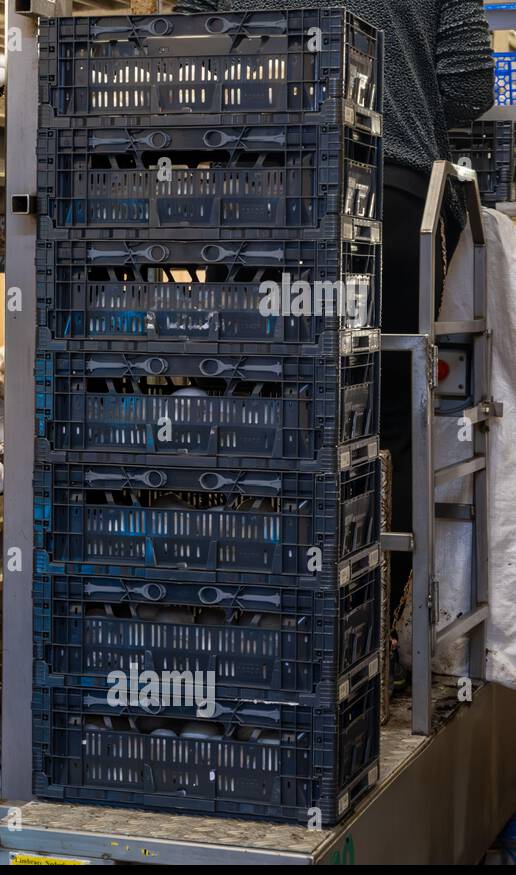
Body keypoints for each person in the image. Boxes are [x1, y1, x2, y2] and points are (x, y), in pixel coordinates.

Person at [175, 0, 495, 612]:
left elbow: (190, 49)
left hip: (256, 193)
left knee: (256, 407)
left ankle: (259, 621)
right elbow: (468, 82)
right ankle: (361, 630)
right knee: (389, 418)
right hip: (386, 193)